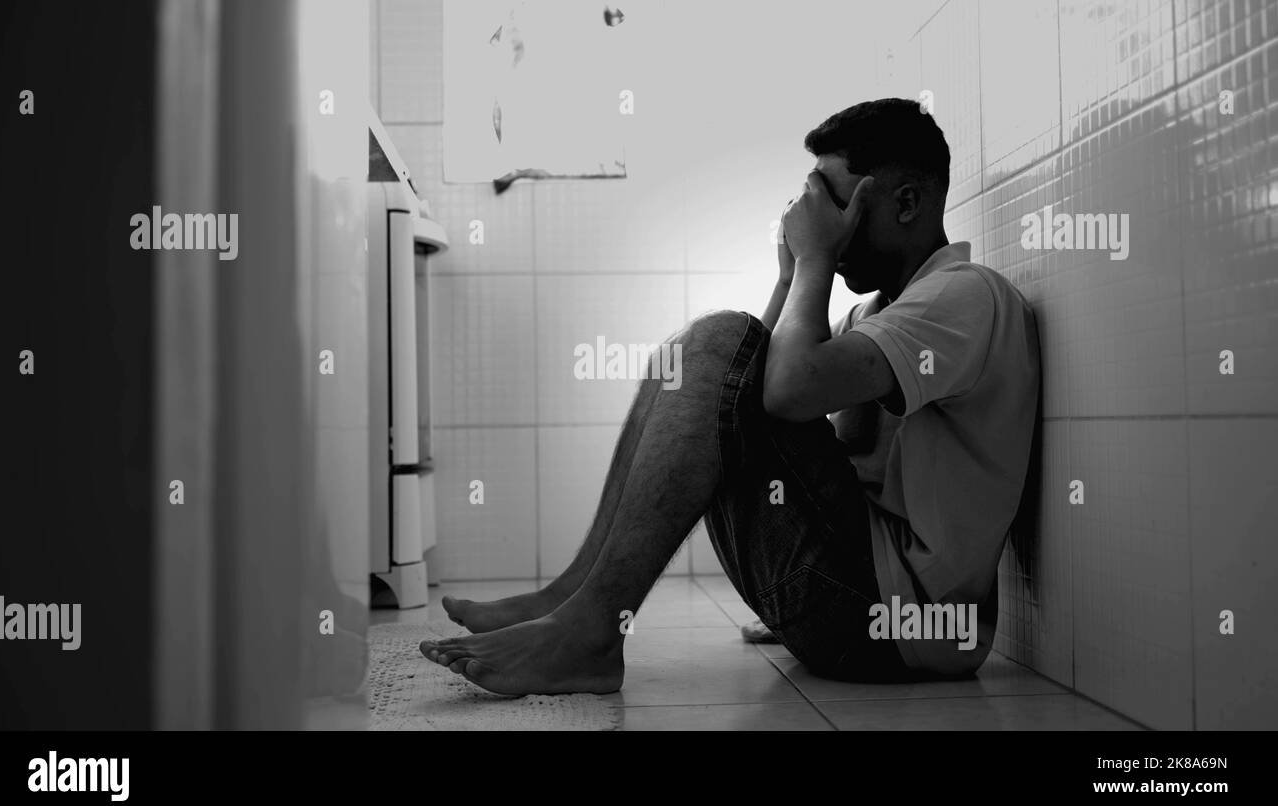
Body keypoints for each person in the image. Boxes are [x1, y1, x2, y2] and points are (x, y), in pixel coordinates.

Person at [419, 98, 1040, 694]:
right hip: (858, 603)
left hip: (899, 628)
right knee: (692, 356)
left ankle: (591, 632)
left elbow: (784, 388)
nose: (824, 225)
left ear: (906, 204)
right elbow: (744, 388)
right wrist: (792, 274)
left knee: (720, 340)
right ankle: (577, 599)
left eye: (838, 205)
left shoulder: (965, 295)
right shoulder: (876, 318)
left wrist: (816, 258)